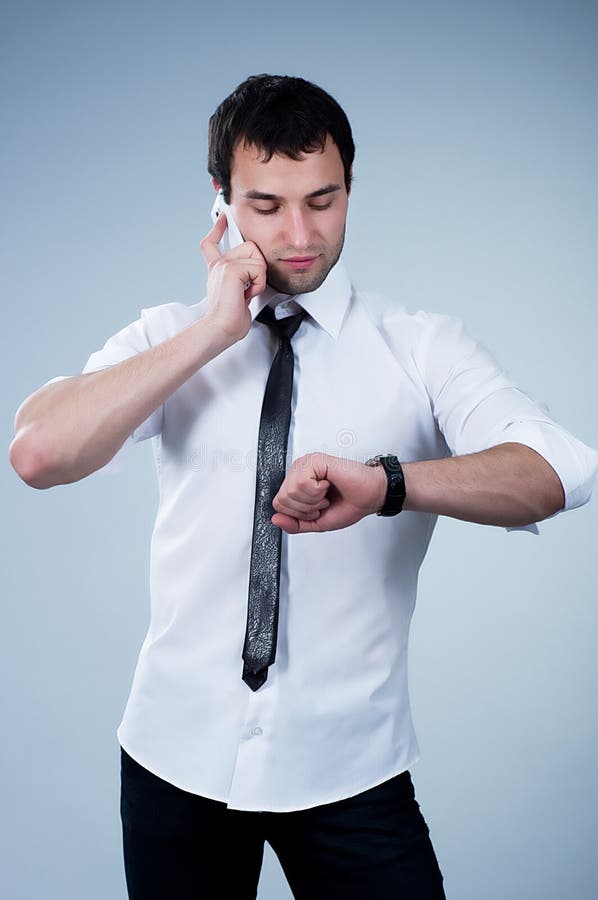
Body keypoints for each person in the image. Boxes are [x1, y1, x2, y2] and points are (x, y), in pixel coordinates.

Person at [9, 74, 597, 900]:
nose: (298, 234)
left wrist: (390, 483)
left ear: (352, 186)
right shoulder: (167, 337)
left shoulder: (420, 348)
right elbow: (37, 453)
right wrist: (217, 328)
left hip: (352, 771)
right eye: (265, 205)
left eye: (322, 201)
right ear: (220, 203)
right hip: (173, 760)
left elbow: (557, 470)